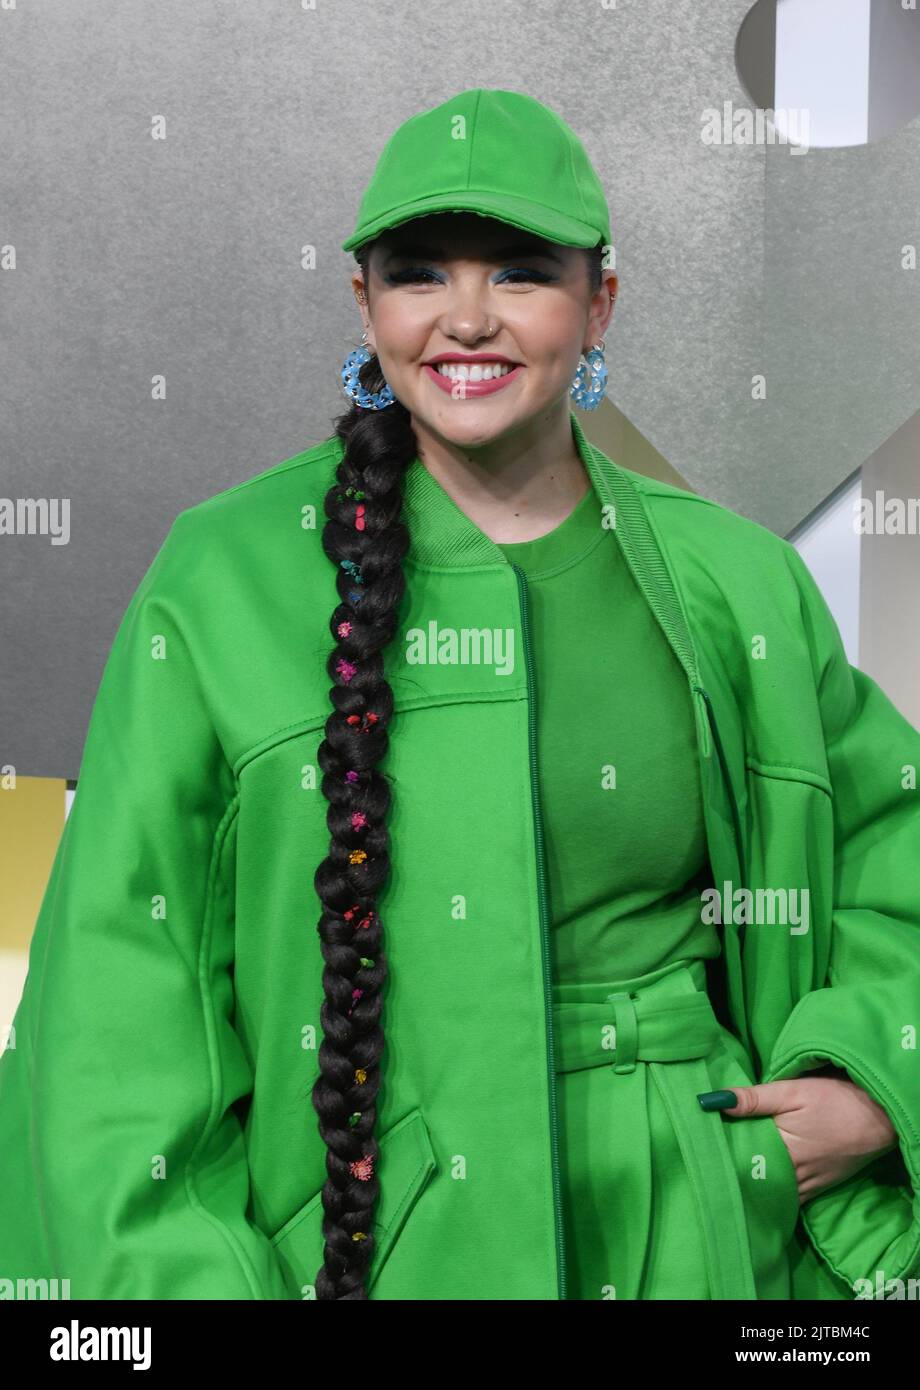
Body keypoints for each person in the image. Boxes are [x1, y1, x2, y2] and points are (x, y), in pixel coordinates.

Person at [1, 87, 918, 1303]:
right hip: (373, 1249)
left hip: (702, 1224)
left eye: (522, 273)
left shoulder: (738, 583)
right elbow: (120, 1001)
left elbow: (889, 849)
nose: (467, 318)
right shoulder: (219, 577)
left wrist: (871, 1081)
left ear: (599, 302)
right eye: (420, 272)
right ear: (364, 303)